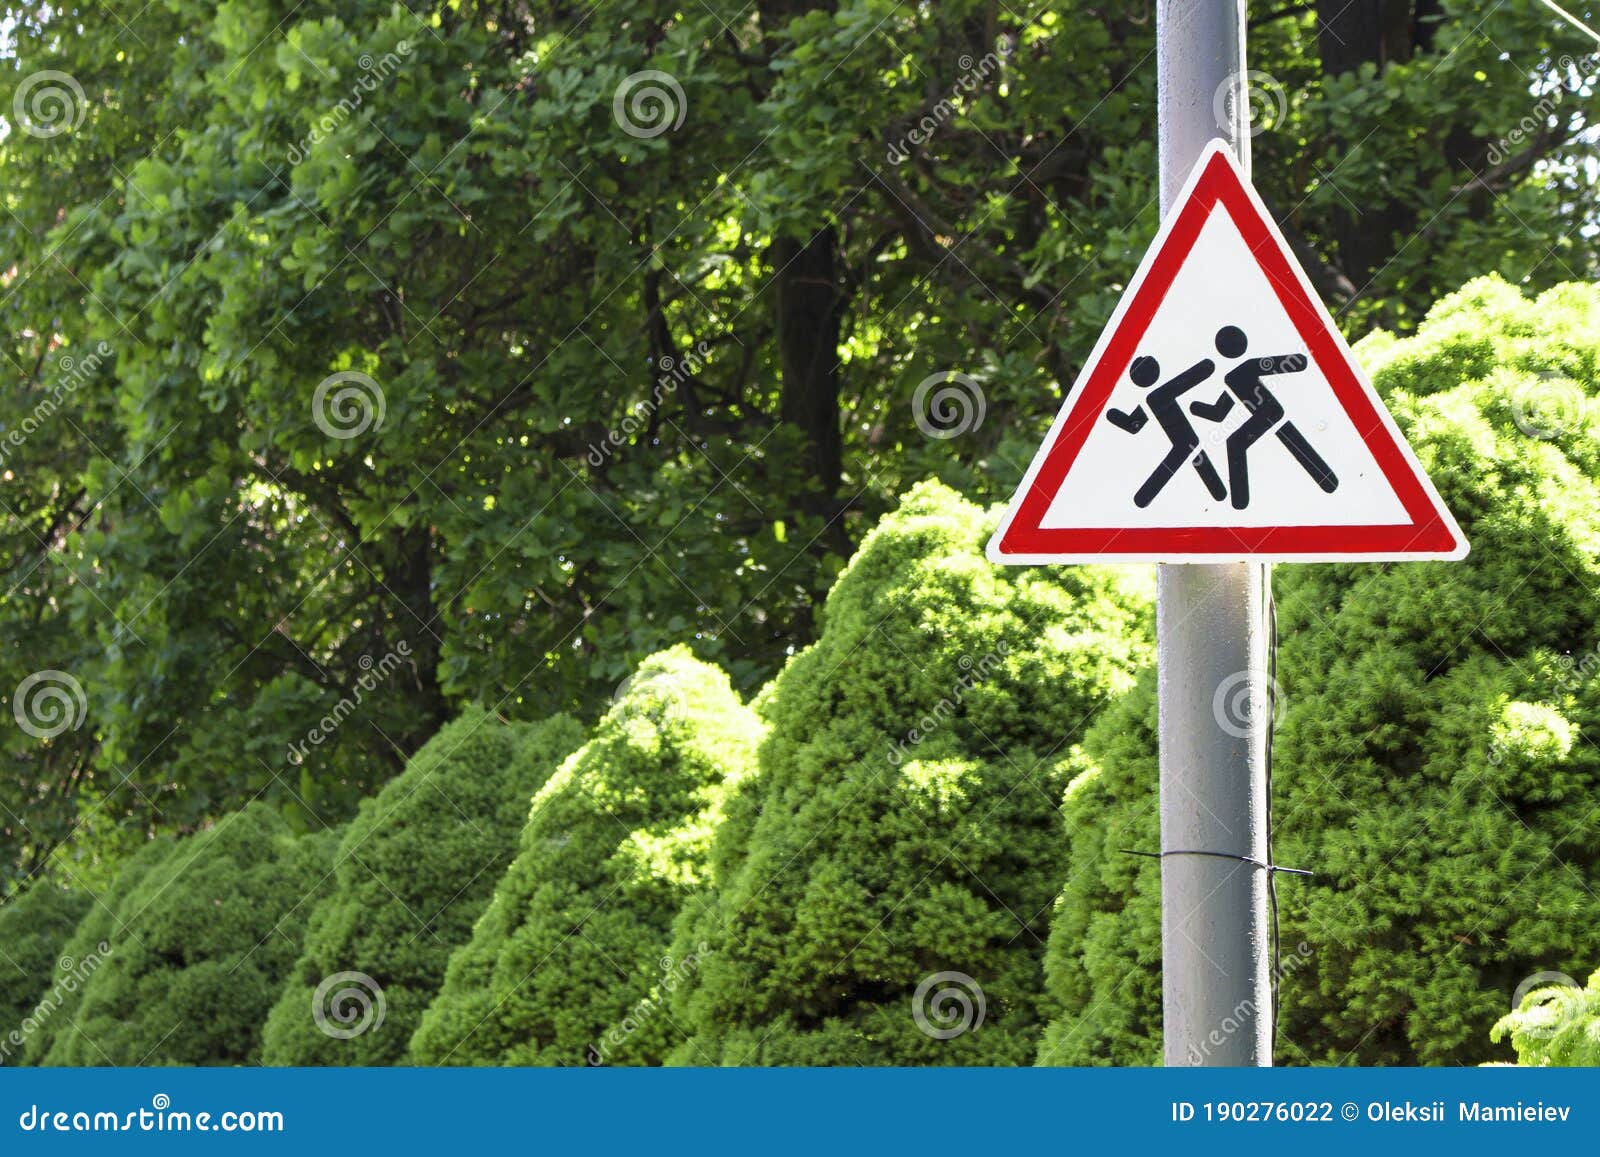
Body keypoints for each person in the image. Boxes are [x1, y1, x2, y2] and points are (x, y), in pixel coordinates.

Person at [1190, 325, 1338, 510]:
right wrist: (1197, 408)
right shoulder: (1234, 376)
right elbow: (1220, 412)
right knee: (1242, 442)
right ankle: (1240, 503)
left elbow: (1297, 362)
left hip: (1269, 412)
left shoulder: (1242, 370)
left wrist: (1196, 408)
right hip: (1268, 413)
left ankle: (1240, 502)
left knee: (1239, 442)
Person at [1106, 354, 1227, 508]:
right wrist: (1206, 367)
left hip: (1183, 441)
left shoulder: (1152, 399)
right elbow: (1191, 377)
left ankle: (1143, 498)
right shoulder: (1159, 395)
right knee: (1194, 458)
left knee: (1181, 462)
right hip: (1186, 440)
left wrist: (1114, 415)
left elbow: (1133, 425)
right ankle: (1220, 494)